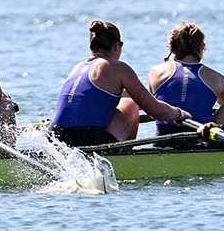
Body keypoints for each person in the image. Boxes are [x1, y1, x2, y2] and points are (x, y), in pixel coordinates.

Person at [49, 19, 189, 147]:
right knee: (130, 103)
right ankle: (124, 159)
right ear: (117, 46)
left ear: (92, 47)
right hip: (86, 139)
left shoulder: (77, 68)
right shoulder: (117, 67)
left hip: (54, 137)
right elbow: (156, 110)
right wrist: (178, 113)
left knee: (126, 96)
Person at [144, 22, 224, 140]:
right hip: (203, 141)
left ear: (172, 46)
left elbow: (152, 109)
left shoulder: (156, 72)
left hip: (163, 140)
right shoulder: (217, 78)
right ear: (201, 47)